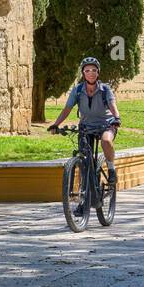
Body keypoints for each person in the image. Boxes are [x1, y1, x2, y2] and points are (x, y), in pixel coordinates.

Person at [48, 57, 121, 198]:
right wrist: (56, 124)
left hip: (107, 124)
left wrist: (116, 118)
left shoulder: (105, 89)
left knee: (106, 141)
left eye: (94, 70)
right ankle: (84, 198)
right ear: (83, 73)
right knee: (84, 161)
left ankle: (111, 170)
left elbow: (113, 106)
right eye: (87, 70)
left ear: (98, 73)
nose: (91, 73)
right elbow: (67, 109)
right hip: (86, 127)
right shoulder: (78, 90)